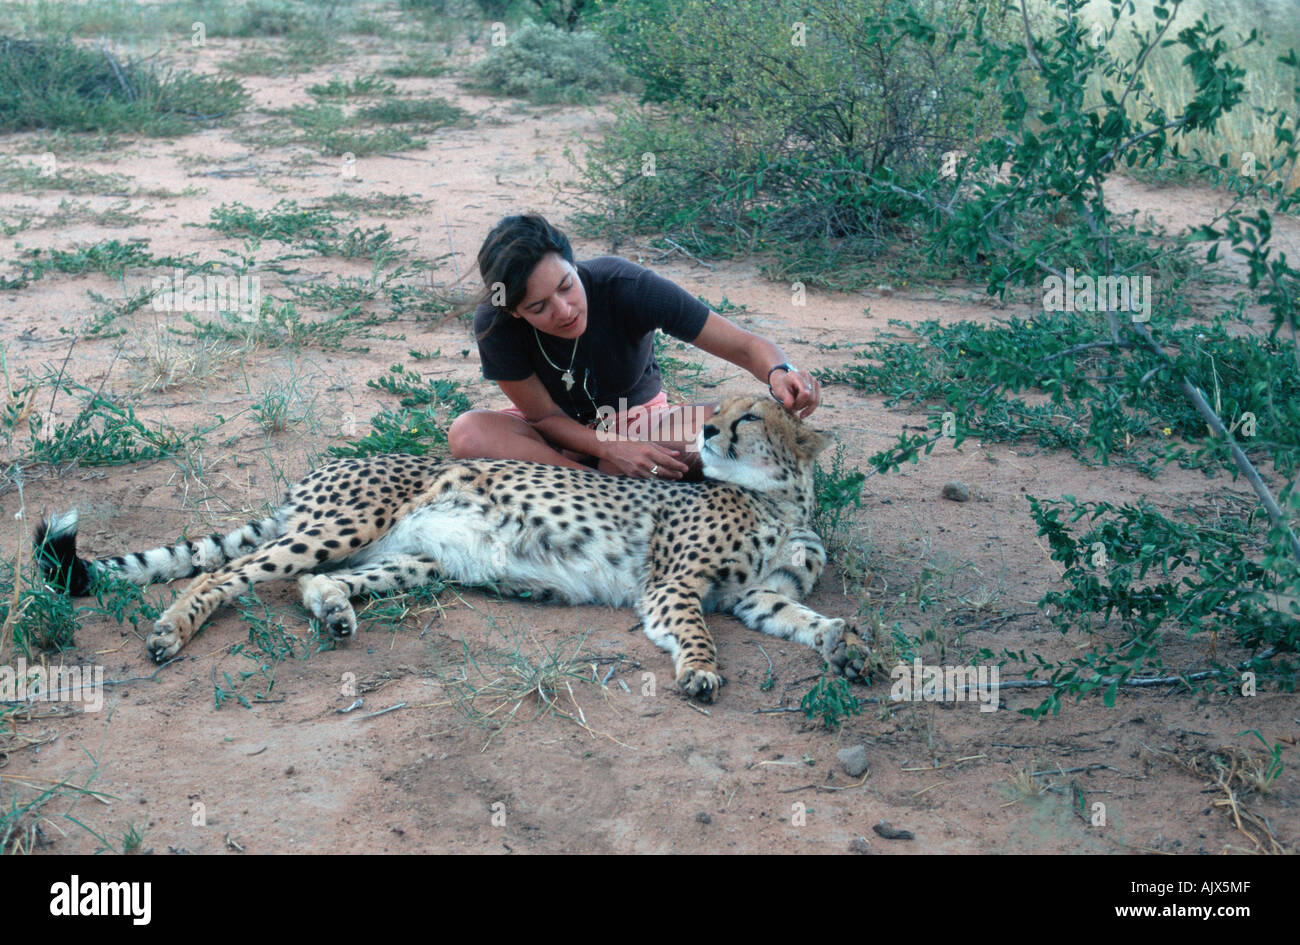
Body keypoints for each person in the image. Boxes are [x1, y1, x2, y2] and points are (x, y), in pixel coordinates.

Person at [448, 214, 821, 480]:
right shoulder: (493, 322)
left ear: (573, 264)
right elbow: (544, 418)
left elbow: (744, 345)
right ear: (513, 311)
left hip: (643, 423)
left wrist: (780, 373)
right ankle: (594, 484)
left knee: (758, 428)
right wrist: (608, 448)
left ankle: (603, 477)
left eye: (566, 285)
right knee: (468, 433)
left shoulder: (626, 285)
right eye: (537, 307)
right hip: (552, 438)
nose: (564, 310)